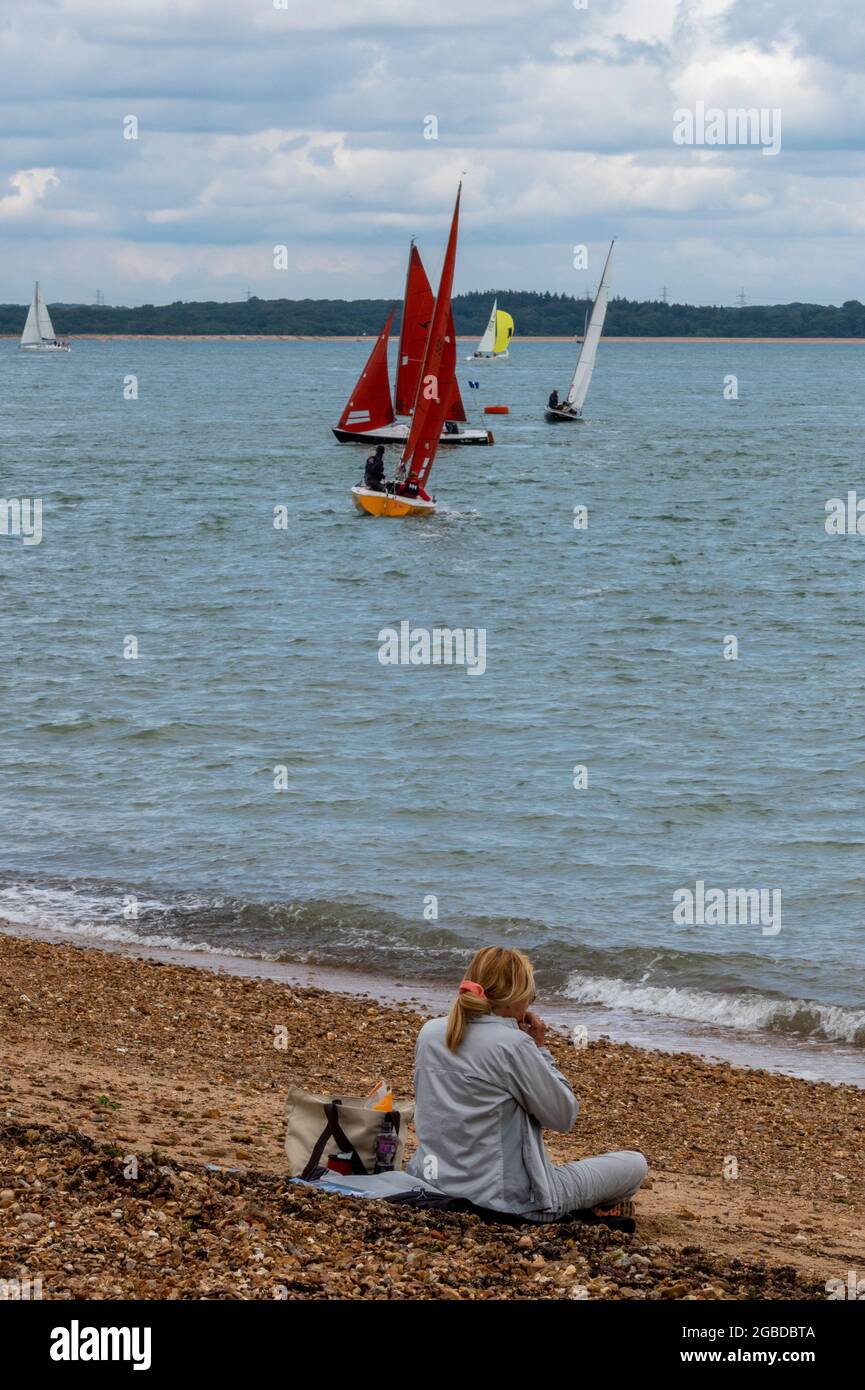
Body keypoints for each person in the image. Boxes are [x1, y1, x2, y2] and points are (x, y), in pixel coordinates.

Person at [407, 946, 648, 1222]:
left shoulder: (430, 1032)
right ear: (514, 998)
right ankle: (593, 1207)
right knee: (634, 1165)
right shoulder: (514, 1045)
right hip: (508, 1200)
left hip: (432, 1182)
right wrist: (539, 1049)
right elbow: (563, 1116)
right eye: (530, 996)